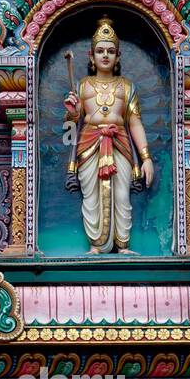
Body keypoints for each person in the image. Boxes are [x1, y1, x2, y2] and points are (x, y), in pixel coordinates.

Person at [63, 16, 154, 254]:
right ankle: (96, 245)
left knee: (122, 195)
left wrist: (146, 158)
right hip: (89, 144)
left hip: (119, 143)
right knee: (91, 195)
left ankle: (122, 244)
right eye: (100, 51)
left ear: (118, 57)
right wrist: (72, 113)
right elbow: (71, 127)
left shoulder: (126, 86)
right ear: (91, 57)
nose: (105, 55)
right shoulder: (83, 86)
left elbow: (134, 122)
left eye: (111, 51)